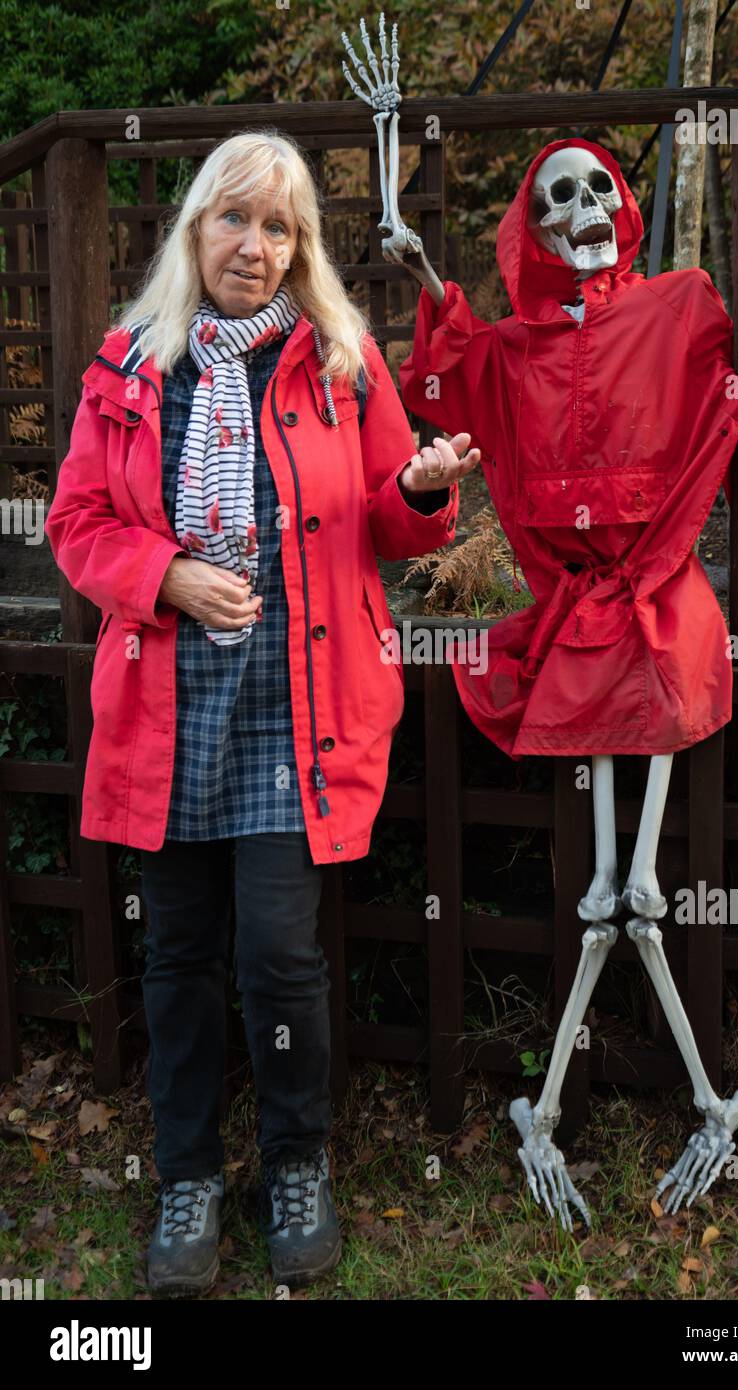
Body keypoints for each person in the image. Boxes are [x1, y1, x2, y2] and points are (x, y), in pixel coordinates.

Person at [44, 128, 480, 1296]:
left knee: (281, 954)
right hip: (169, 702)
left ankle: (295, 1162)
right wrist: (165, 575)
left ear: (302, 247)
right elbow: (77, 524)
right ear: (196, 228)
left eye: (279, 226)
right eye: (235, 219)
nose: (255, 243)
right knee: (178, 955)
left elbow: (390, 514)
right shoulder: (130, 366)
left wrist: (424, 490)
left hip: (302, 702)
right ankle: (186, 1173)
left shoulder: (342, 360)